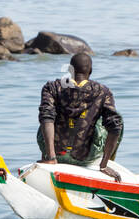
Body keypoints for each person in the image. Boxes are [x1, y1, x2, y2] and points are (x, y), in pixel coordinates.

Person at [37, 52, 124, 180]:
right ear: (91, 71)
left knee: (47, 117)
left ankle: (50, 156)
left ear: (70, 70)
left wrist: (51, 157)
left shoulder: (52, 87)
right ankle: (106, 163)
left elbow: (46, 116)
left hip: (55, 153)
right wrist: (103, 166)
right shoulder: (102, 92)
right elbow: (115, 127)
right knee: (116, 120)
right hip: (85, 157)